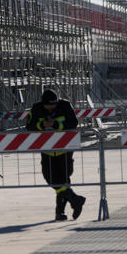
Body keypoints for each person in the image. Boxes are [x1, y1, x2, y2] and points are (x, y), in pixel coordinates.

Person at [26, 90, 86, 221]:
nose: (51, 108)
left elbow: (73, 123)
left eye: (53, 105)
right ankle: (75, 200)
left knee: (63, 180)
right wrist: (42, 125)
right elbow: (29, 125)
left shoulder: (65, 105)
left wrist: (55, 124)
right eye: (48, 106)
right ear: (43, 104)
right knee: (51, 179)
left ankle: (60, 213)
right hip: (47, 150)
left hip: (64, 150)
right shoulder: (37, 108)